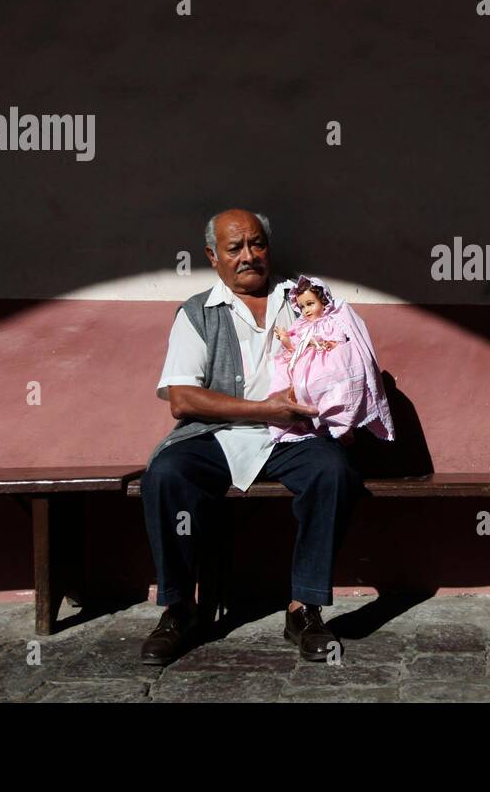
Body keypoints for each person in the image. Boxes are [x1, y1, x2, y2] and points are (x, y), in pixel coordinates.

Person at [139, 209, 367, 665]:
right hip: (215, 434)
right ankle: (179, 608)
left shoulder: (303, 300)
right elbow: (183, 400)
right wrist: (266, 408)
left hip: (291, 434)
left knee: (333, 472)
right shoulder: (196, 312)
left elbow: (343, 358)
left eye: (257, 244)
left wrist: (344, 413)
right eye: (235, 247)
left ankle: (304, 609)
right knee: (166, 474)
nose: (249, 256)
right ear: (212, 256)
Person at [268, 274, 395, 447]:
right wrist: (286, 340)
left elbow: (339, 341)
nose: (306, 310)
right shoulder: (301, 326)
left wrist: (322, 343)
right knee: (303, 390)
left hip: (331, 366)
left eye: (310, 304)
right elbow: (293, 351)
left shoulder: (331, 321)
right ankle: (312, 422)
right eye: (302, 306)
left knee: (337, 391)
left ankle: (342, 425)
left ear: (324, 301)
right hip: (307, 371)